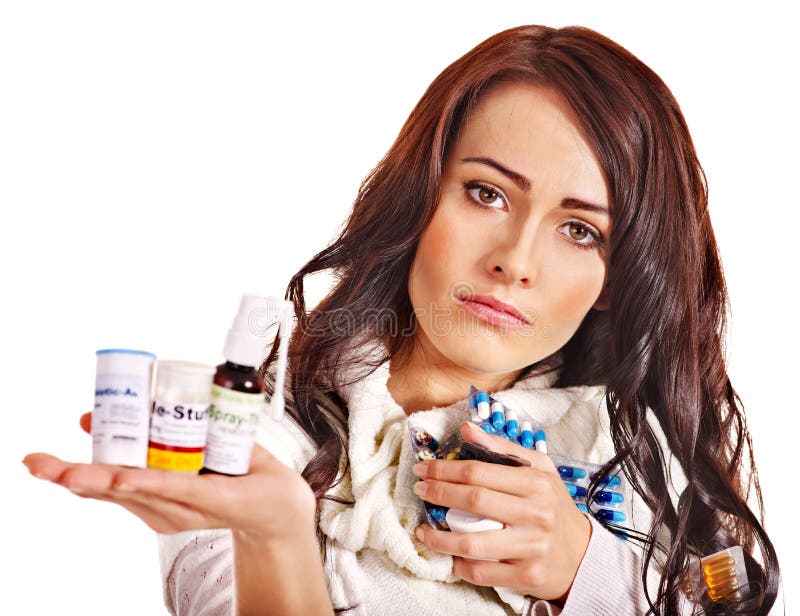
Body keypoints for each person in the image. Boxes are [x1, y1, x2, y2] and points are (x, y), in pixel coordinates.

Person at [23, 24, 782, 615]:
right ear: (421, 195)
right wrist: (276, 535)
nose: (516, 260)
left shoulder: (647, 463)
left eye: (579, 230)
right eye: (487, 194)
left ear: (617, 278)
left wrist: (586, 573)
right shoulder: (255, 438)